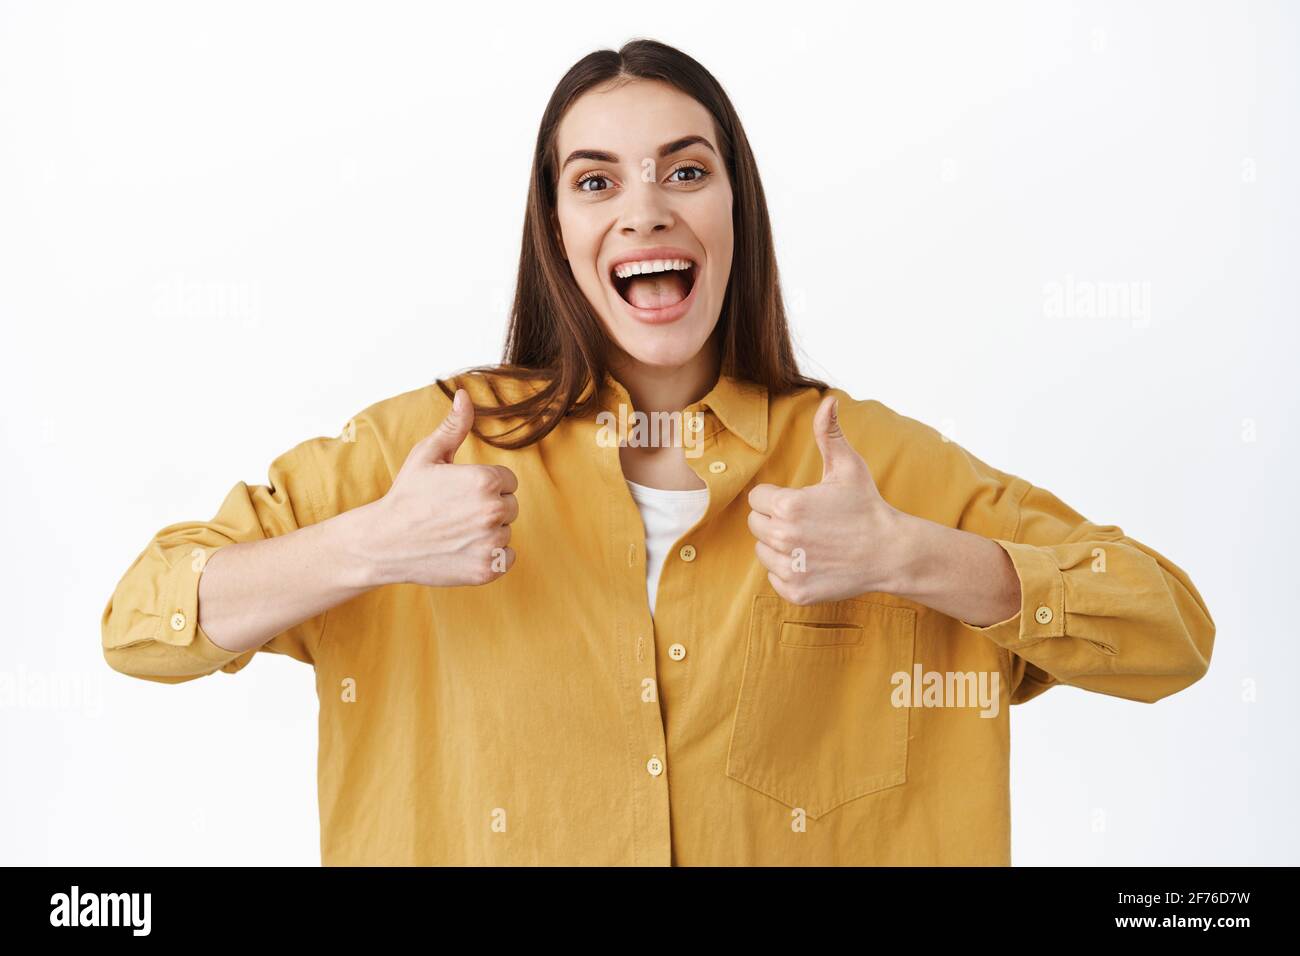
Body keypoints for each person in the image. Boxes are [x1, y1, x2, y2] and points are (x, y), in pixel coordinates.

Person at [101, 38, 1216, 866]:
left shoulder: (866, 464)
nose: (643, 212)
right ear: (557, 229)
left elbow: (1171, 633)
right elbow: (144, 621)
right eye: (596, 181)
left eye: (685, 172)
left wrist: (913, 557)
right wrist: (368, 545)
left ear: (736, 209)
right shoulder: (419, 453)